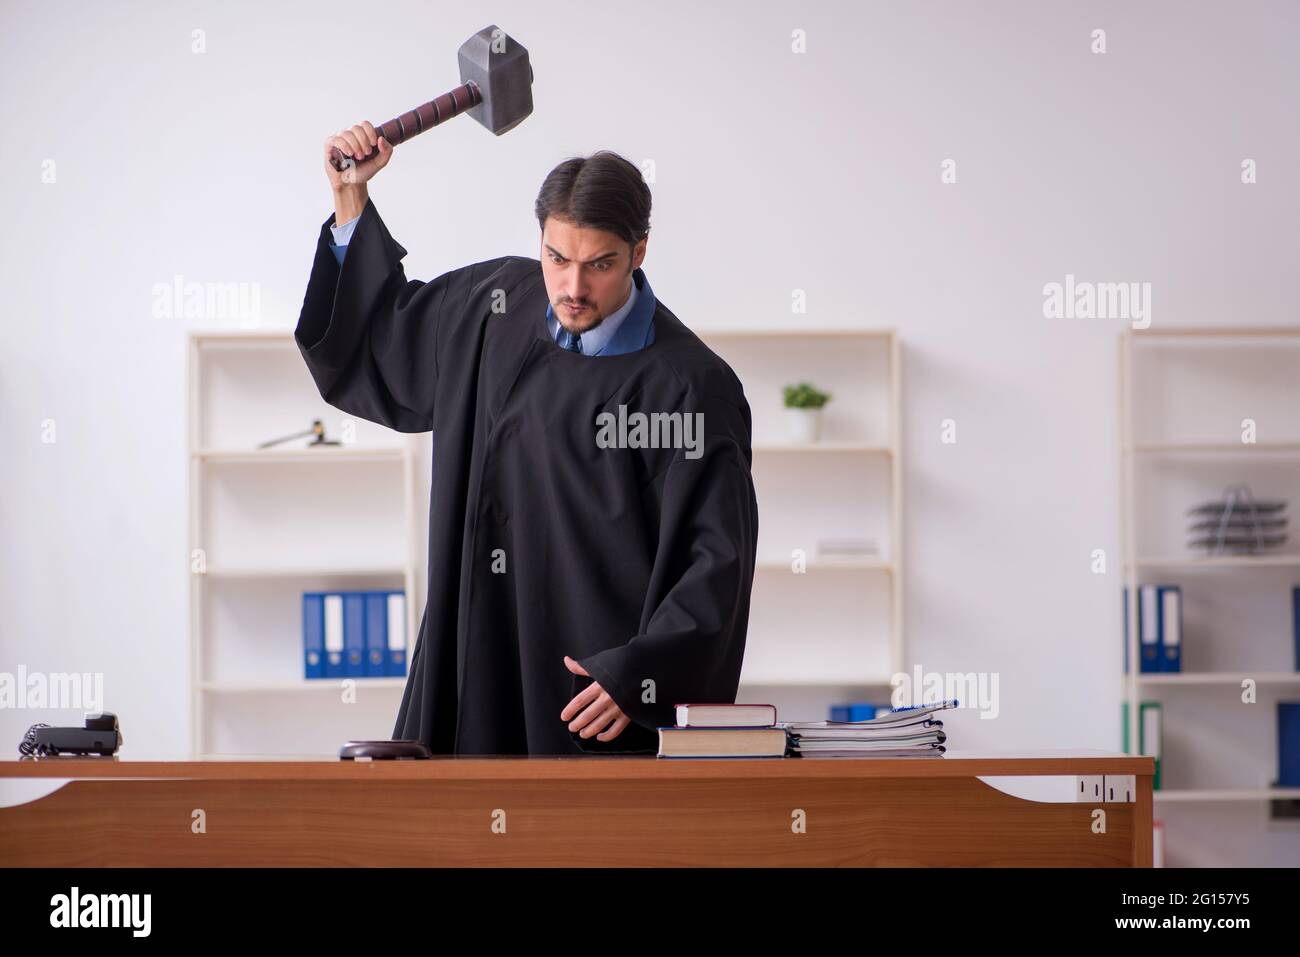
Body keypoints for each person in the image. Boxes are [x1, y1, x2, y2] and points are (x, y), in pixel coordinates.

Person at [295, 122, 759, 754]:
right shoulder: (492, 310)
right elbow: (380, 340)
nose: (572, 288)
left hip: (587, 692)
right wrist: (351, 199)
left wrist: (640, 676)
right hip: (471, 655)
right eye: (557, 258)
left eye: (600, 265)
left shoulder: (688, 388)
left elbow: (717, 560)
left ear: (639, 251)